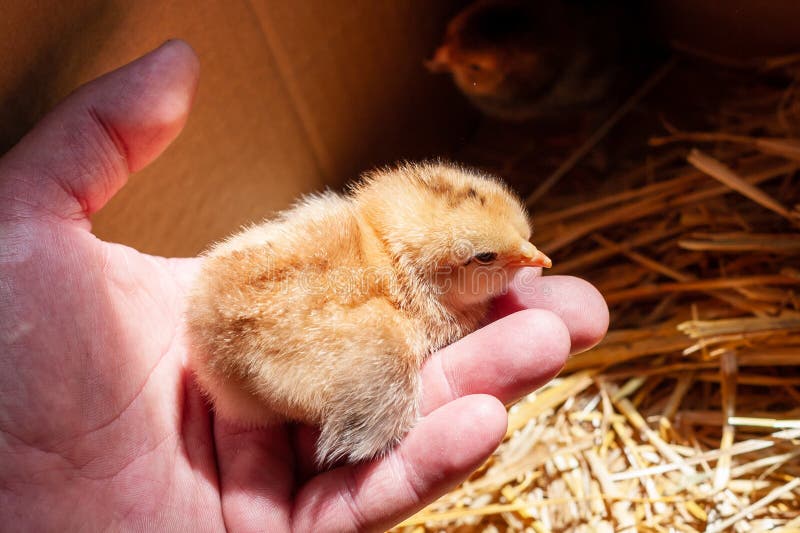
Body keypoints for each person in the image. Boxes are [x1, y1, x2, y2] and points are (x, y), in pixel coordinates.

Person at [0, 41, 608, 531]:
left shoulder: (339, 221)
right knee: (385, 387)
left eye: (519, 241)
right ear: (440, 271)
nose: (532, 258)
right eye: (490, 255)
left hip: (209, 319)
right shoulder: (394, 323)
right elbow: (359, 426)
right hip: (247, 367)